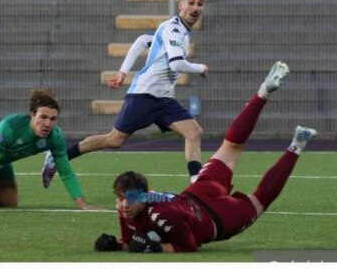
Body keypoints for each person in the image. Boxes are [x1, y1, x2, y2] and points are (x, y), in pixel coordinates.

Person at [93, 62, 313, 252]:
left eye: (128, 199)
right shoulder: (128, 208)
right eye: (120, 198)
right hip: (199, 191)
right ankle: (262, 93)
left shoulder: (162, 215)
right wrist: (116, 244)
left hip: (220, 218)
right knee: (231, 146)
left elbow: (188, 246)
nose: (123, 204)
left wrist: (155, 247)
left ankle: (297, 145)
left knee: (259, 201)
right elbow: (133, 241)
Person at [42, 0, 215, 186]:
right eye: (191, 2)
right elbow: (176, 64)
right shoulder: (174, 29)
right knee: (113, 140)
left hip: (163, 98)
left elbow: (143, 40)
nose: (195, 7)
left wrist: (123, 72)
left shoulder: (180, 30)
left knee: (194, 132)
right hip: (145, 94)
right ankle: (57, 157)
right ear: (180, 5)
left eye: (200, 3)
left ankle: (196, 182)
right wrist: (200, 67)